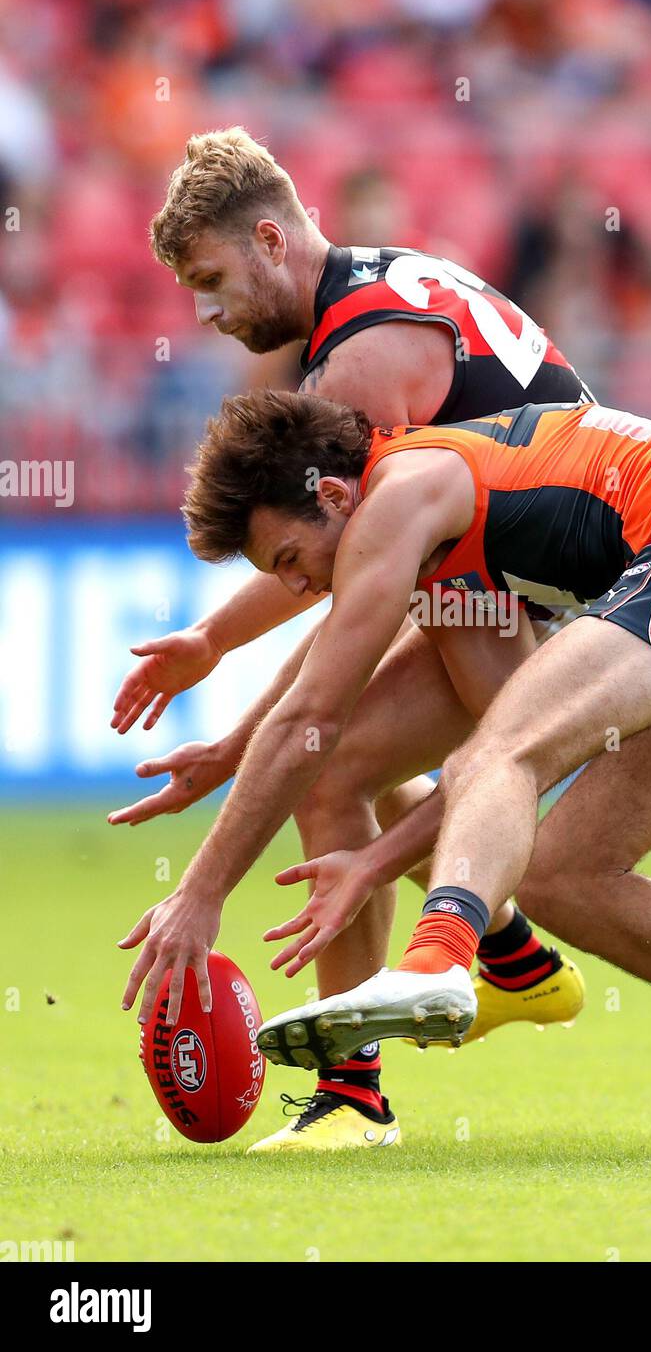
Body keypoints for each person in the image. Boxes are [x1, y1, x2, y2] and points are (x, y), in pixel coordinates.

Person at [122, 387, 651, 1158]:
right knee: (563, 873)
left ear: (332, 493)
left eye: (290, 559)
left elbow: (311, 720)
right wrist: (376, 861)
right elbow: (499, 782)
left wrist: (200, 895)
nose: (300, 589)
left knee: (504, 747)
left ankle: (437, 957)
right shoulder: (461, 569)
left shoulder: (403, 491)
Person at [112, 125, 593, 1152]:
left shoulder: (356, 371)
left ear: (271, 239)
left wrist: (228, 787)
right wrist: (211, 642)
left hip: (553, 592)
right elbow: (333, 567)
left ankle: (356, 1097)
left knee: (329, 768)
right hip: (517, 579)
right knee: (346, 766)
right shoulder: (375, 287)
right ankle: (507, 955)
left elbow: (341, 591)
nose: (206, 312)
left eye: (211, 280)